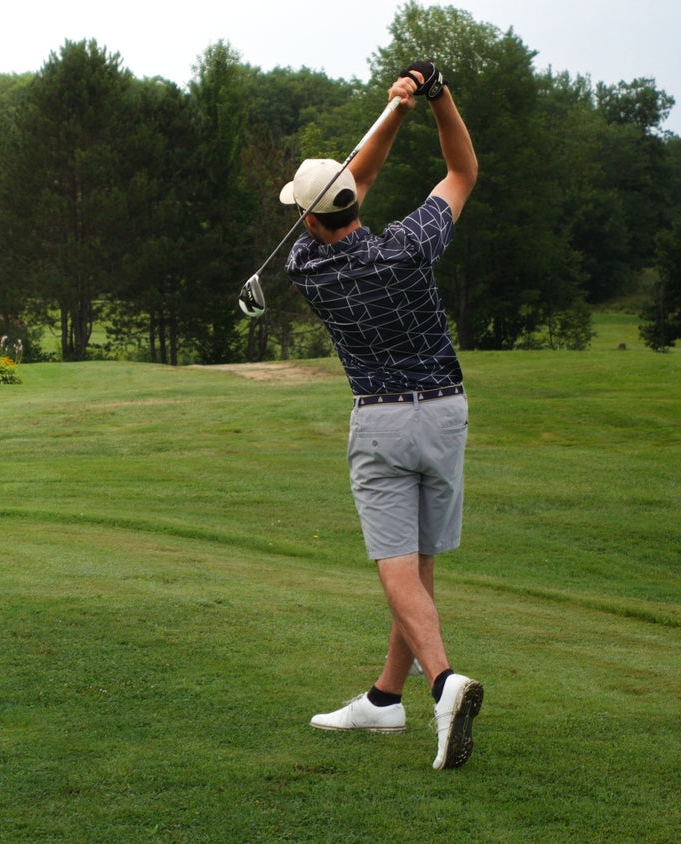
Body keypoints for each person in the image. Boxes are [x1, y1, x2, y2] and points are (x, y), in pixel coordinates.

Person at [281, 61, 482, 770]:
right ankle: (384, 699)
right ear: (349, 204)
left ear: (310, 219)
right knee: (421, 569)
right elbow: (462, 171)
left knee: (397, 569)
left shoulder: (306, 264)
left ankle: (445, 684)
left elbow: (352, 181)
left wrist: (391, 113)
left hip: (382, 422)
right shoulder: (408, 245)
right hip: (448, 415)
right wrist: (430, 99)